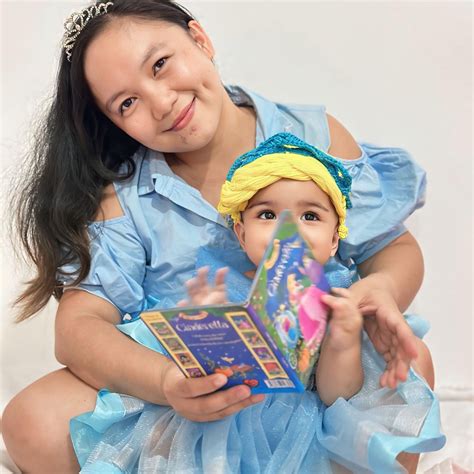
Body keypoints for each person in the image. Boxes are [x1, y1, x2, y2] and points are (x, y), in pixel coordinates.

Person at [1, 1, 441, 472]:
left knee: (411, 365)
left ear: (200, 39)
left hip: (324, 372)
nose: (161, 102)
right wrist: (166, 381)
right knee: (32, 419)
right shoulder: (124, 196)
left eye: (160, 64)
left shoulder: (314, 135)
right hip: (195, 393)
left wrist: (381, 289)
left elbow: (390, 248)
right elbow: (78, 328)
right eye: (127, 103)